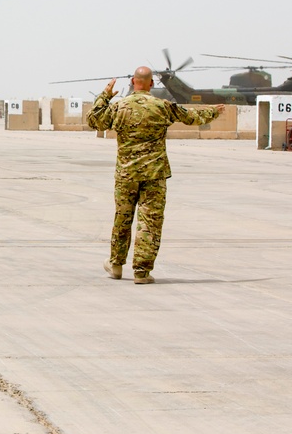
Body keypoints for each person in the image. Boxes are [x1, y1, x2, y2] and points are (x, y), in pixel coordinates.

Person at [87, 67, 224, 284]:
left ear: (133, 81)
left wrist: (105, 95)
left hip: (126, 174)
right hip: (154, 174)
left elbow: (95, 120)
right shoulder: (162, 106)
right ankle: (141, 271)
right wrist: (214, 111)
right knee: (149, 221)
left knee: (123, 219)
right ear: (151, 84)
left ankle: (116, 265)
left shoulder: (119, 106)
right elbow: (192, 117)